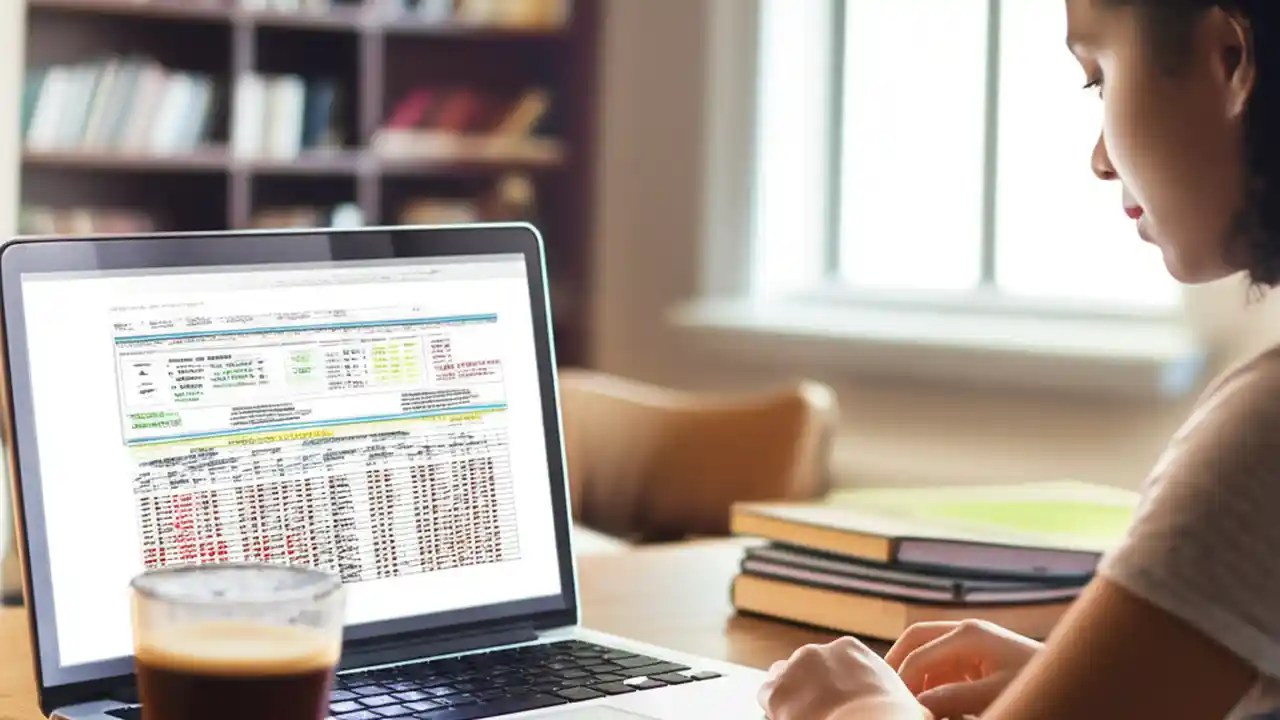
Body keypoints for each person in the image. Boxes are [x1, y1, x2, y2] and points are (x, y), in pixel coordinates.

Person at [758, 1, 1280, 718]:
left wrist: (856, 709)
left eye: (1097, 77)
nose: (1099, 159)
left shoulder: (1264, 431)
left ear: (1229, 60)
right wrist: (1086, 684)